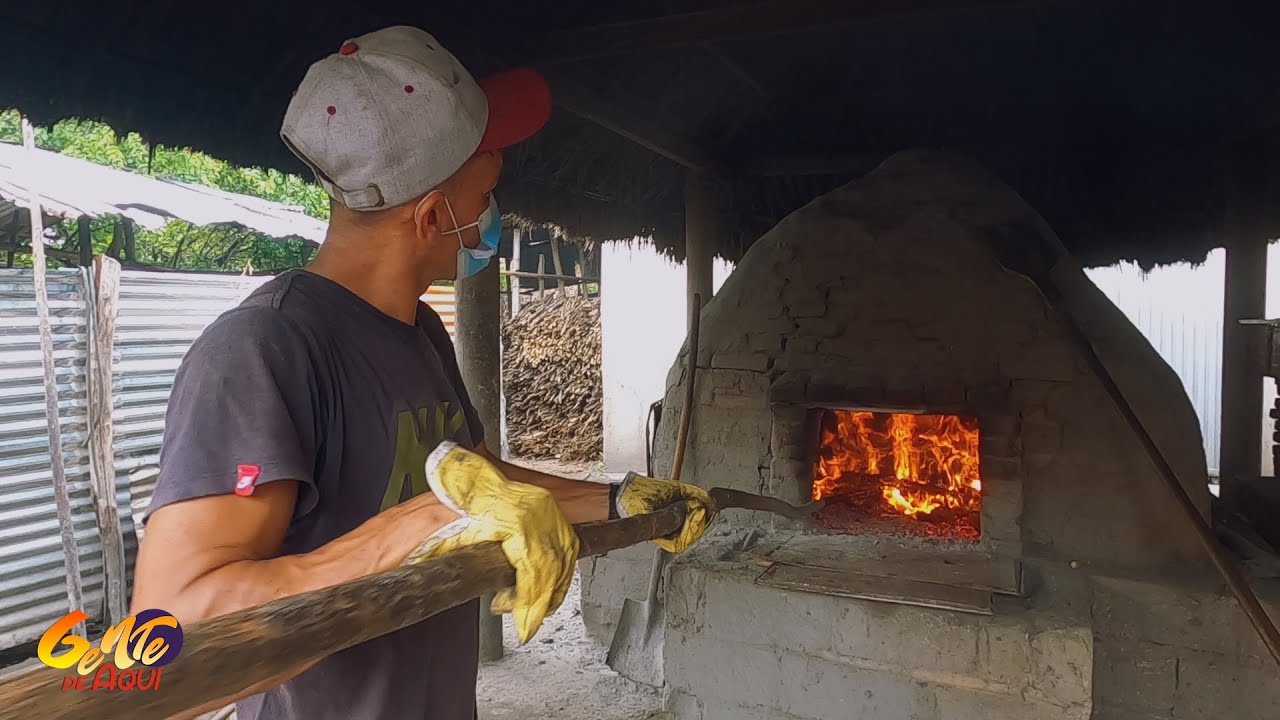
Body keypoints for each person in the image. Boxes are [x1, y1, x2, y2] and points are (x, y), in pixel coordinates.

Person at [131, 25, 716, 720]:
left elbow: (479, 480)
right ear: (434, 215)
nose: (496, 214)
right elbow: (171, 634)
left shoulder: (420, 331)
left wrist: (619, 499)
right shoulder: (263, 351)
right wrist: (423, 523)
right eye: (488, 189)